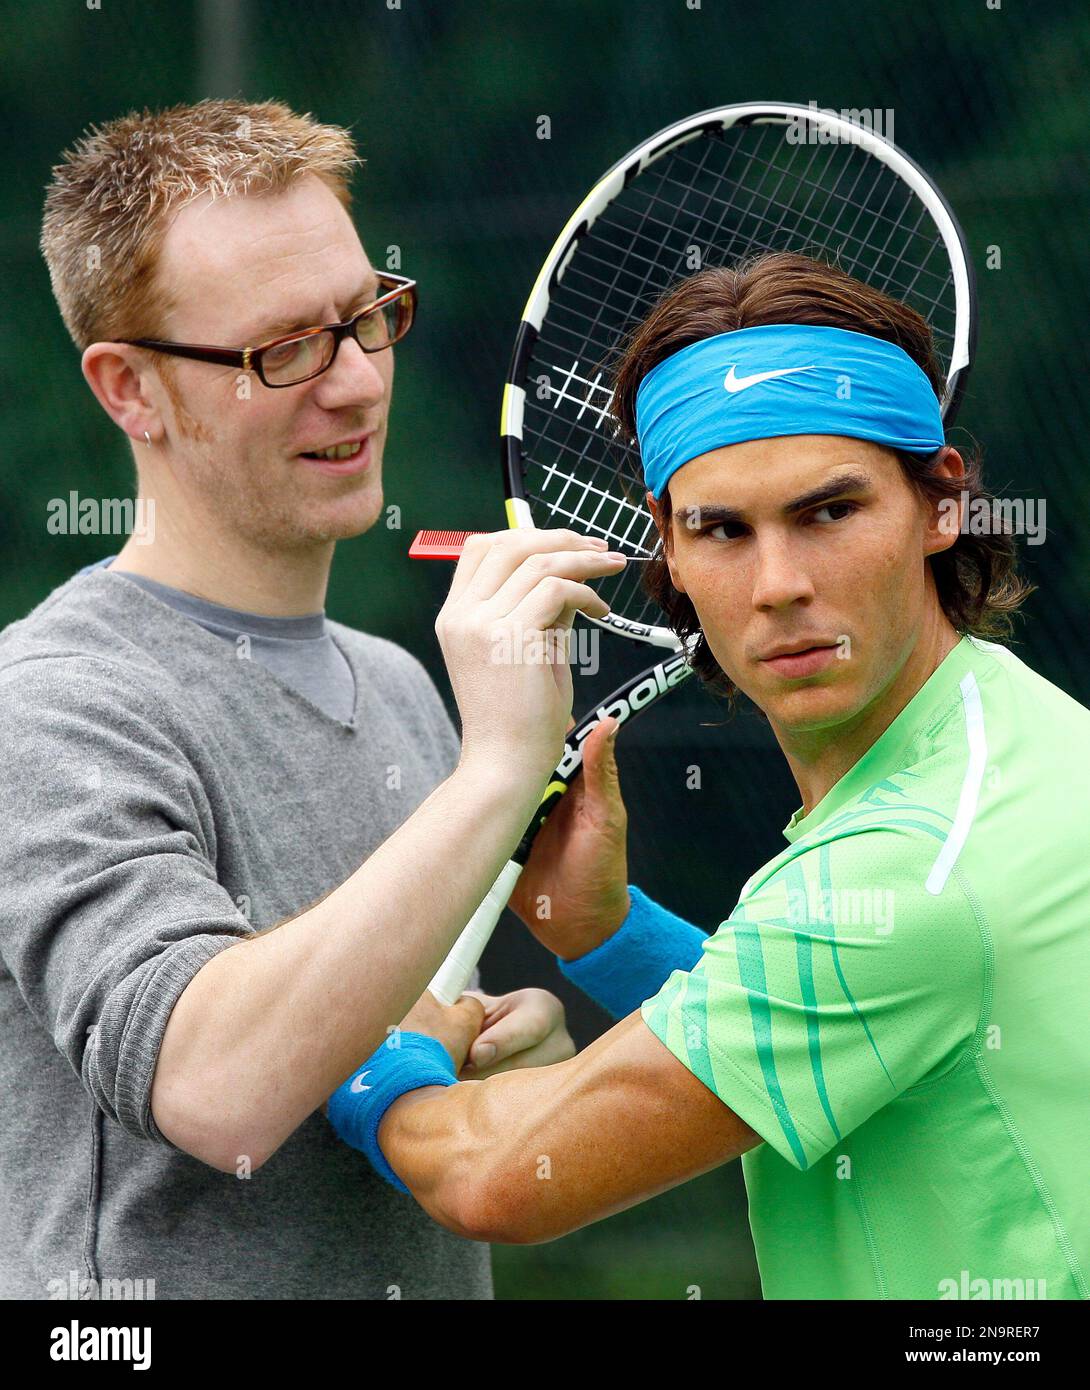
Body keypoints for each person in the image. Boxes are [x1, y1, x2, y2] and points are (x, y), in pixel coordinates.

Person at [328, 253, 1090, 1301]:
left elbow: (496, 1179)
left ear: (941, 500)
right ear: (669, 553)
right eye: (721, 529)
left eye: (830, 511)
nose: (778, 585)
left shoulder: (910, 868)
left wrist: (370, 1052)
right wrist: (608, 934)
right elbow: (835, 1033)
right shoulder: (1009, 736)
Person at [0, 98, 617, 1300]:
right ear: (128, 389)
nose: (355, 385)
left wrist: (492, 1061)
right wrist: (496, 771)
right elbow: (216, 1091)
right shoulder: (50, 707)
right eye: (282, 348)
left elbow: (376, 1054)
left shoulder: (392, 685)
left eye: (366, 318)